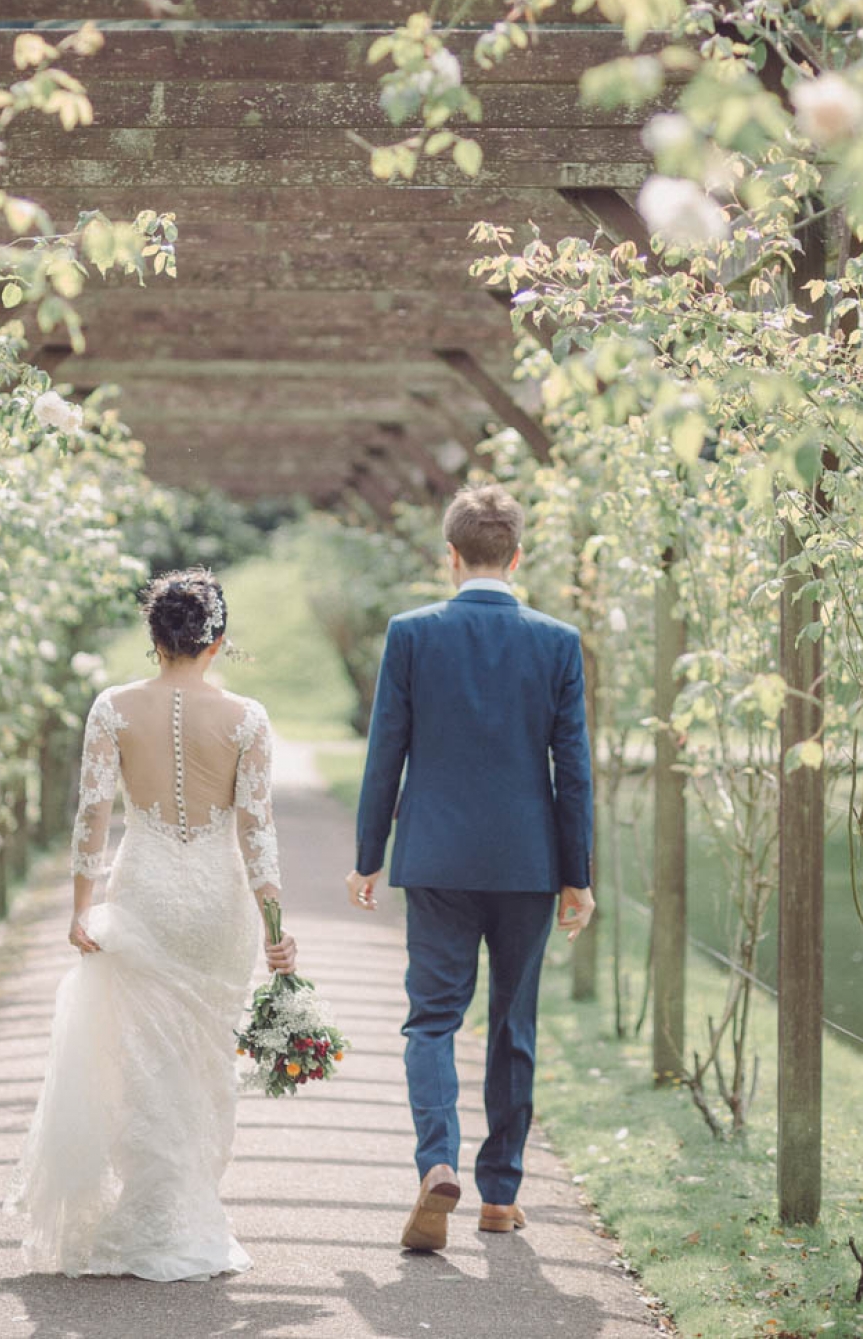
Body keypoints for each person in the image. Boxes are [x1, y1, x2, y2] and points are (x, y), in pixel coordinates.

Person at [6, 567, 295, 1280]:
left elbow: (92, 812)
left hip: (144, 892)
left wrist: (81, 905)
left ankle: (155, 1207)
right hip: (217, 903)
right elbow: (257, 830)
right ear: (218, 640)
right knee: (205, 1058)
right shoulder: (247, 719)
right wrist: (275, 925)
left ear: (154, 637)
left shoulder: (112, 707)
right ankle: (189, 1205)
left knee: (142, 1058)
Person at [347, 483, 594, 1252]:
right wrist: (577, 874)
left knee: (432, 1018)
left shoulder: (411, 633)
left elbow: (386, 750)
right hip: (527, 862)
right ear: (517, 556)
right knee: (512, 1024)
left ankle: (437, 1162)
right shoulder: (557, 642)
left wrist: (367, 858)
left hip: (437, 860)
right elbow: (573, 770)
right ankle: (500, 1194)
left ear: (448, 556)